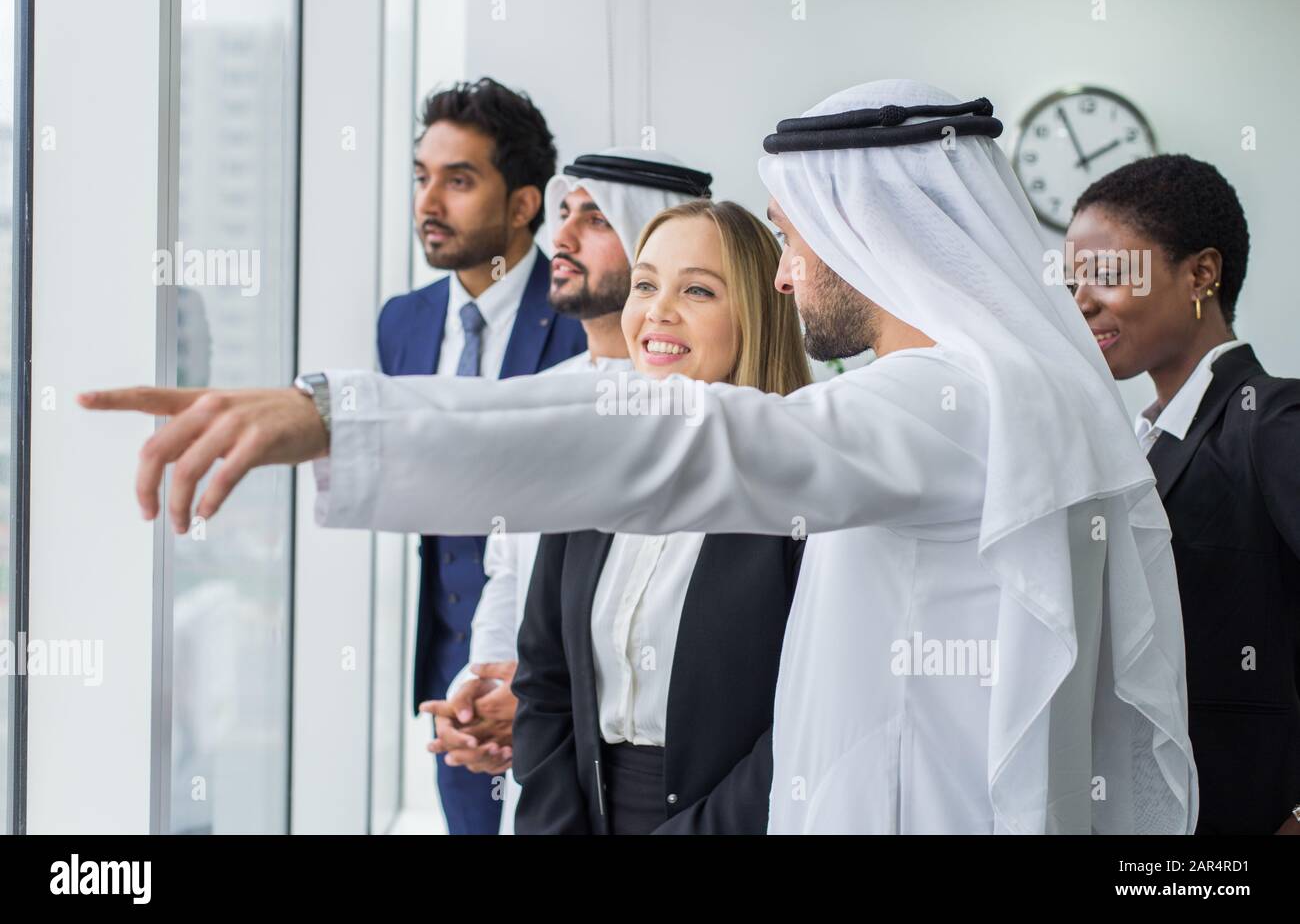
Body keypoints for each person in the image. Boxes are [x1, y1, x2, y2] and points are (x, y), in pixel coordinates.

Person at [79, 79, 1198, 834]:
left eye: (794, 240)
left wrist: (339, 419)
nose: (784, 275)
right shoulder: (997, 391)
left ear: (874, 239)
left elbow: (682, 440)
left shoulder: (961, 397)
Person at [419, 149, 714, 834]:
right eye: (562, 215)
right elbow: (506, 571)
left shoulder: (710, 418)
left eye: (596, 219)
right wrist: (484, 686)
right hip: (546, 772)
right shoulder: (536, 401)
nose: (564, 238)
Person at [514, 199, 811, 834]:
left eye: (697, 290)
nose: (658, 311)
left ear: (756, 316)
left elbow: (806, 720)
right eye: (645, 284)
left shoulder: (804, 488)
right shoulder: (591, 467)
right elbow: (543, 685)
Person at [1066, 153, 1300, 835]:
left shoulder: (1272, 421)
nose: (1082, 301)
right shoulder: (1139, 444)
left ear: (1201, 273)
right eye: (1074, 280)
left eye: (1107, 275)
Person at [382, 77, 587, 835]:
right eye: (421, 176)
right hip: (451, 676)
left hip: (560, 681)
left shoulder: (581, 318)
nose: (429, 202)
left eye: (459, 180)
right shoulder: (402, 324)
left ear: (525, 203)